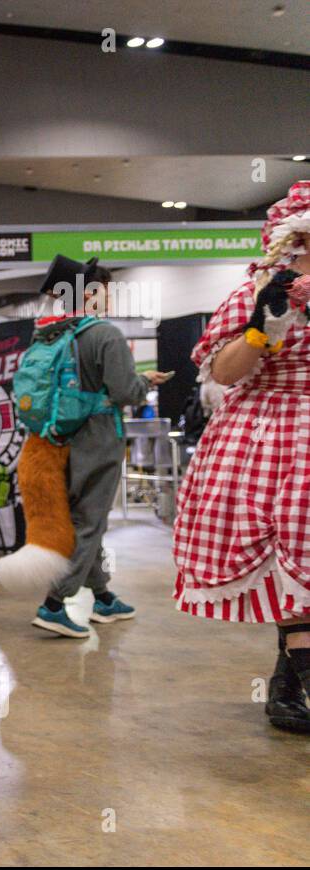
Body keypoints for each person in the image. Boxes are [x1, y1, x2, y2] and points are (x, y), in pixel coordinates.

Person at [174, 180, 310, 732]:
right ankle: (295, 676)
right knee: (292, 559)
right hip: (271, 434)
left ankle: (287, 679)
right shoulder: (255, 293)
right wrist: (263, 328)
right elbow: (224, 374)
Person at [20, 256, 168, 636]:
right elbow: (123, 390)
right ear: (92, 292)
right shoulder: (105, 334)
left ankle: (101, 596)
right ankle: (54, 604)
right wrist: (146, 382)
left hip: (61, 435)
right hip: (99, 436)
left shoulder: (52, 332)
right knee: (90, 520)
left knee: (87, 516)